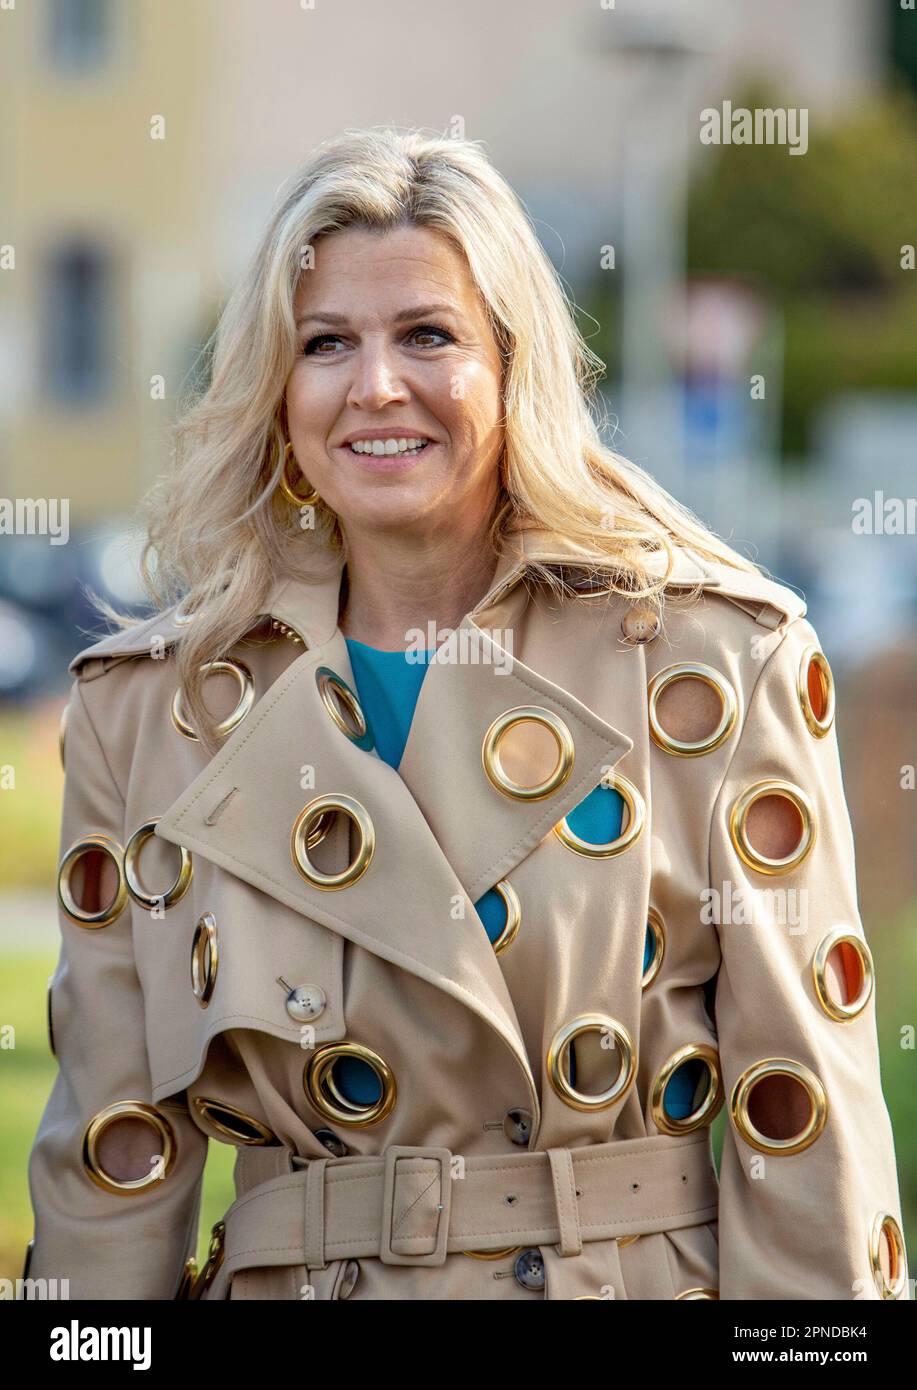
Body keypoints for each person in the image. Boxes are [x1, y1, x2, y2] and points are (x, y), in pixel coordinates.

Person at [25, 127, 908, 1301]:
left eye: (427, 336)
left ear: (513, 366)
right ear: (277, 390)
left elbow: (804, 1120)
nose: (375, 386)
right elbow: (108, 1165)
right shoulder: (148, 708)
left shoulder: (709, 663)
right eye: (326, 343)